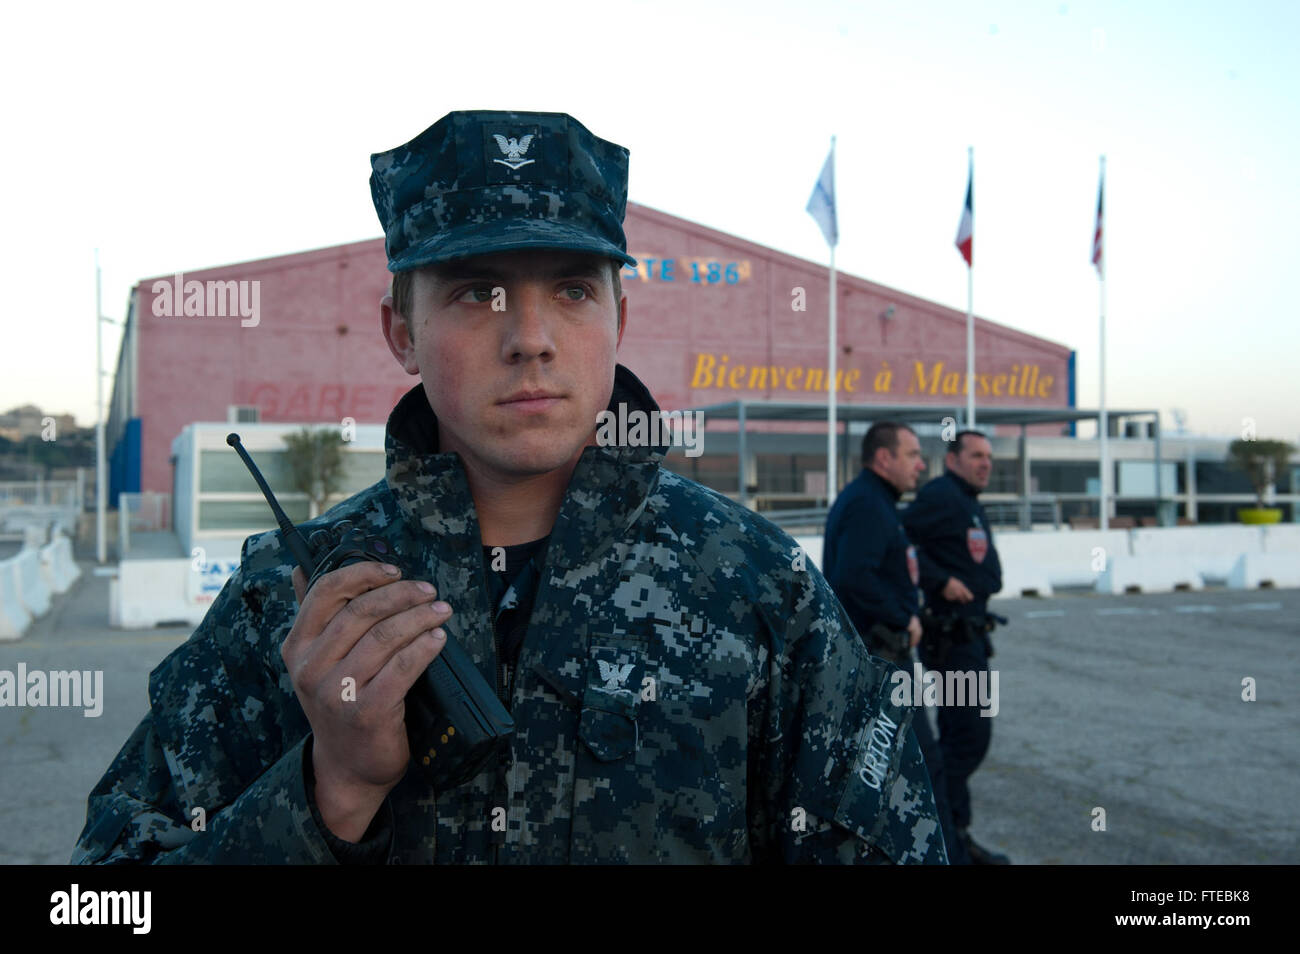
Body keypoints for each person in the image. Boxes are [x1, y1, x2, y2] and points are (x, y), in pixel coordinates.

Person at [73, 109, 945, 864]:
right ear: (401, 332)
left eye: (571, 290)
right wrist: (327, 792)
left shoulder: (759, 587)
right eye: (476, 292)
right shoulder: (294, 604)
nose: (529, 337)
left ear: (619, 320)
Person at [822, 421, 969, 865]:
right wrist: (902, 614)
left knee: (898, 774)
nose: (922, 465)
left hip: (881, 661)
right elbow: (854, 576)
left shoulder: (877, 502)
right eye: (912, 455)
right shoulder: (868, 504)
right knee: (922, 767)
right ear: (883, 458)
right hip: (880, 663)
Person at [902, 429, 1010, 865]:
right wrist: (940, 580)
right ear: (952, 459)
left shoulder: (965, 498)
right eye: (976, 456)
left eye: (988, 456)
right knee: (967, 738)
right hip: (951, 641)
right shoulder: (942, 496)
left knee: (963, 736)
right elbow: (901, 539)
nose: (986, 463)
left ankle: (956, 833)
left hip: (971, 638)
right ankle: (940, 832)